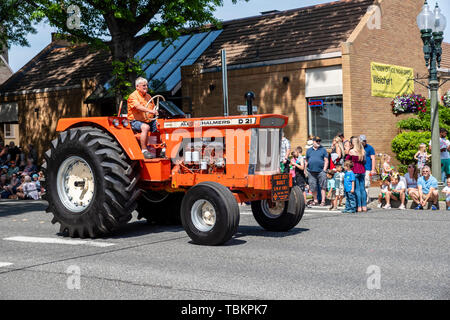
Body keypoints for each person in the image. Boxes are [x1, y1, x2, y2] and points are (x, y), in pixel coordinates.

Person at [127, 77, 159, 159]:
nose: (146, 87)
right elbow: (138, 107)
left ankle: (161, 149)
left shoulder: (148, 96)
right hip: (134, 121)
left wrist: (156, 112)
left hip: (148, 120)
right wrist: (150, 111)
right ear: (137, 86)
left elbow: (153, 108)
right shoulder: (133, 96)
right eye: (144, 85)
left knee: (161, 126)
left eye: (147, 85)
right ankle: (144, 150)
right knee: (145, 127)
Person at [345, 136, 367, 212]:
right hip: (362, 171)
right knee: (363, 190)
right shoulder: (362, 151)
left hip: (355, 171)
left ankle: (359, 206)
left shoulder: (351, 151)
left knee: (357, 190)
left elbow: (347, 160)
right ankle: (364, 206)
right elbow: (364, 162)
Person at [305, 136, 328, 206]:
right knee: (313, 186)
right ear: (313, 142)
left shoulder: (323, 149)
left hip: (321, 171)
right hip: (311, 171)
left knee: (323, 186)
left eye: (319, 141)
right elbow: (306, 161)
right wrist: (305, 169)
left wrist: (324, 170)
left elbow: (326, 161)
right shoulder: (309, 150)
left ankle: (323, 201)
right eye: (317, 141)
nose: (318, 142)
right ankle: (315, 200)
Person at [360, 135, 376, 202]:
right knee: (360, 184)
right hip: (360, 168)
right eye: (362, 141)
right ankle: (361, 198)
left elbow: (373, 158)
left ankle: (366, 199)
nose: (363, 142)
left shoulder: (370, 148)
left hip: (367, 168)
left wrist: (372, 169)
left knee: (366, 184)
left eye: (364, 141)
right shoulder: (359, 148)